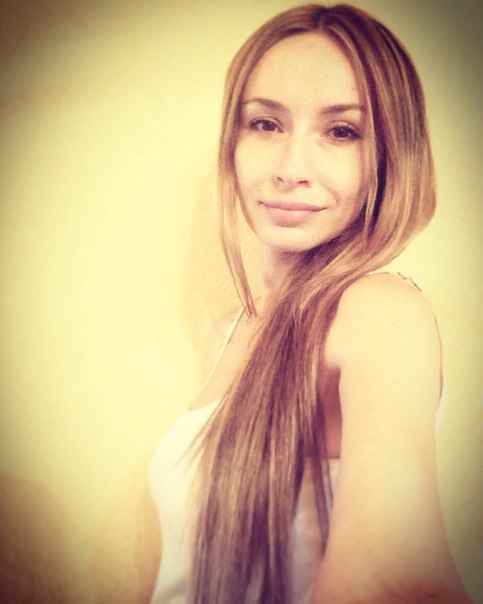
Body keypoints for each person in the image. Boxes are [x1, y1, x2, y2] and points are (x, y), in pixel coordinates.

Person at [148, 4, 470, 603]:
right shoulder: (227, 334)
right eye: (265, 124)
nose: (290, 168)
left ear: (389, 157)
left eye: (341, 131)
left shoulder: (380, 311)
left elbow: (385, 579)